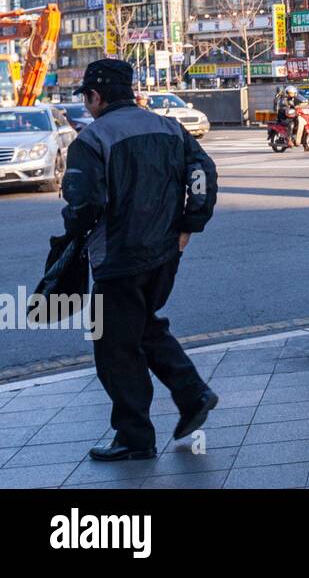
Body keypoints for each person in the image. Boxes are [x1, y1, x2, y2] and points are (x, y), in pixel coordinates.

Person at [55, 58, 220, 462]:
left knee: (114, 346)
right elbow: (203, 173)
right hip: (165, 254)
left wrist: (73, 230)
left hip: (118, 257)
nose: (87, 105)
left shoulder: (91, 140)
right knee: (143, 325)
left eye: (87, 98)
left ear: (96, 96)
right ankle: (193, 393)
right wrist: (189, 224)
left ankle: (135, 436)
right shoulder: (170, 128)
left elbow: (85, 203)